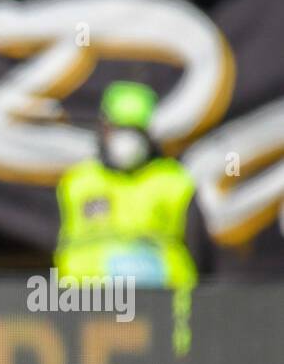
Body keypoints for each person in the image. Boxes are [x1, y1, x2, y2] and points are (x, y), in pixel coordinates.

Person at [54, 80, 199, 293]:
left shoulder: (174, 181)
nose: (126, 140)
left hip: (161, 300)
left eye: (136, 130)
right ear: (103, 128)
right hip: (86, 304)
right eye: (118, 128)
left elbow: (199, 251)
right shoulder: (78, 182)